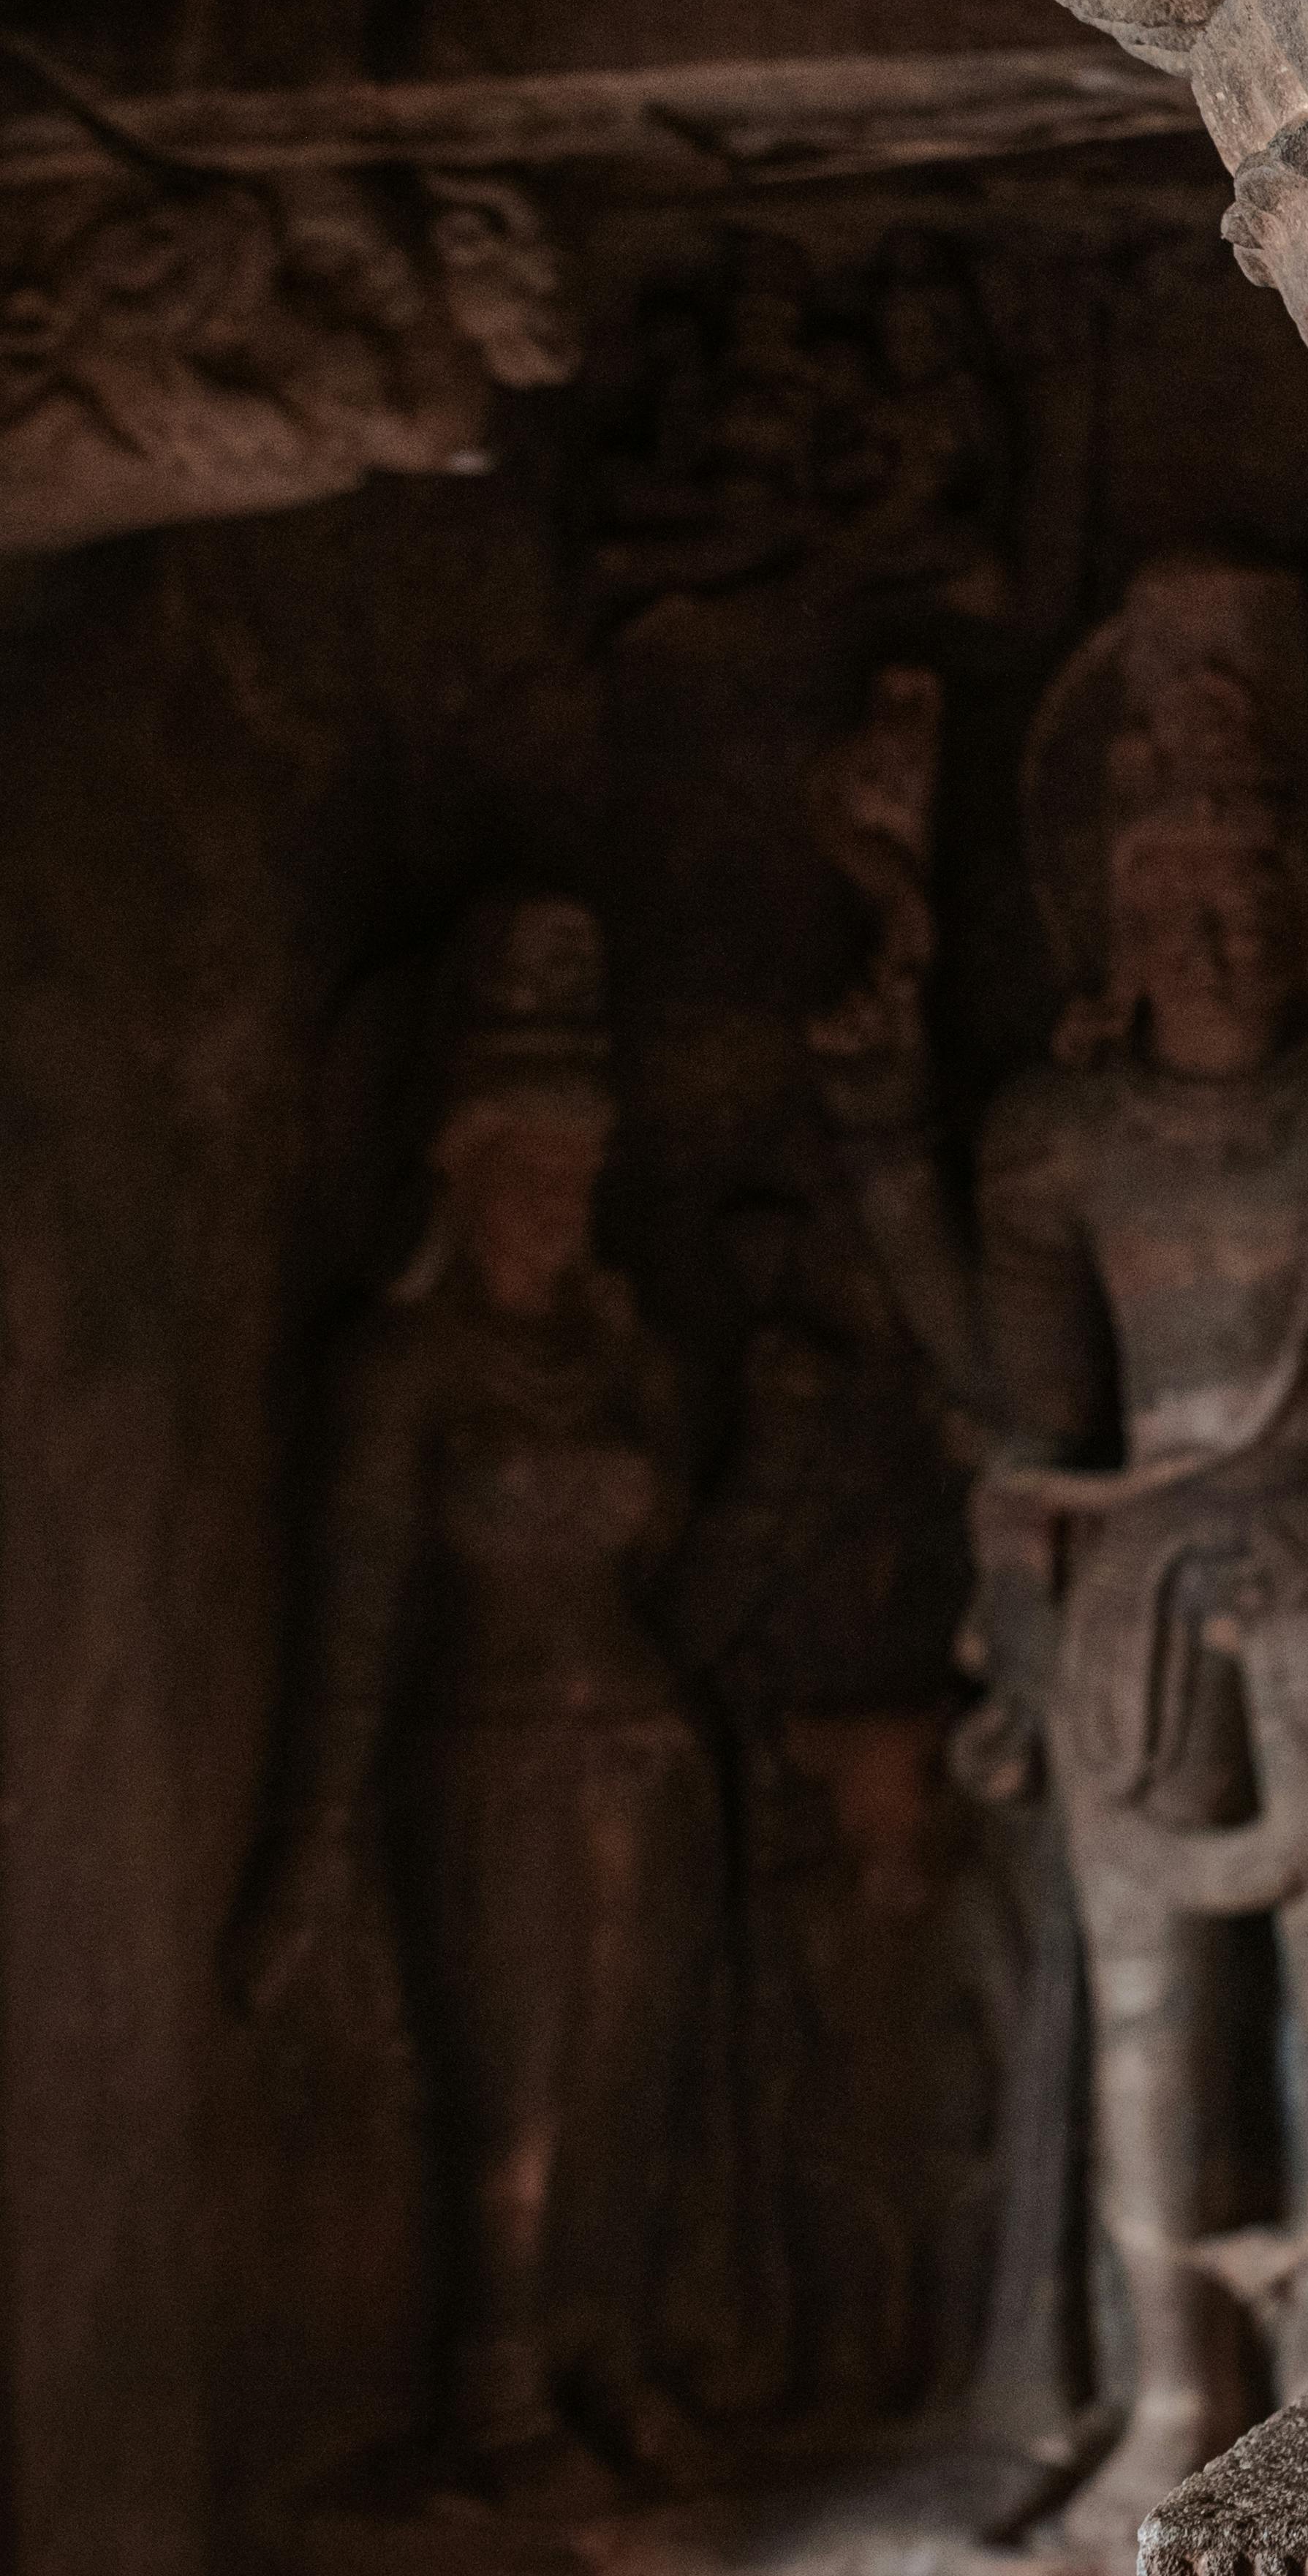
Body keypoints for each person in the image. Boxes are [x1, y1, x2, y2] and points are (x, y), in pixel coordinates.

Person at [972, 560, 1308, 2553]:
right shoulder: (1050, 1137)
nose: (1203, 937)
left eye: (1243, 893)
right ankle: (1168, 2392)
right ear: (1102, 921)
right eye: (1163, 901)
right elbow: (1036, 1430)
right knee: (1136, 2008)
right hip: (1131, 1628)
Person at [233, 900, 721, 2512]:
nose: (562, 1204)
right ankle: (496, 2384)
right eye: (533, 1171)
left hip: (639, 1755)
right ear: (459, 1166)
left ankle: (605, 2350)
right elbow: (353, 1622)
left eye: (581, 1174)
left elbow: (676, 1537)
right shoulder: (399, 1367)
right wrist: (306, 1849)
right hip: (488, 1754)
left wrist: (651, 1378)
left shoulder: (607, 1344)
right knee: (511, 2079)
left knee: (630, 2071)